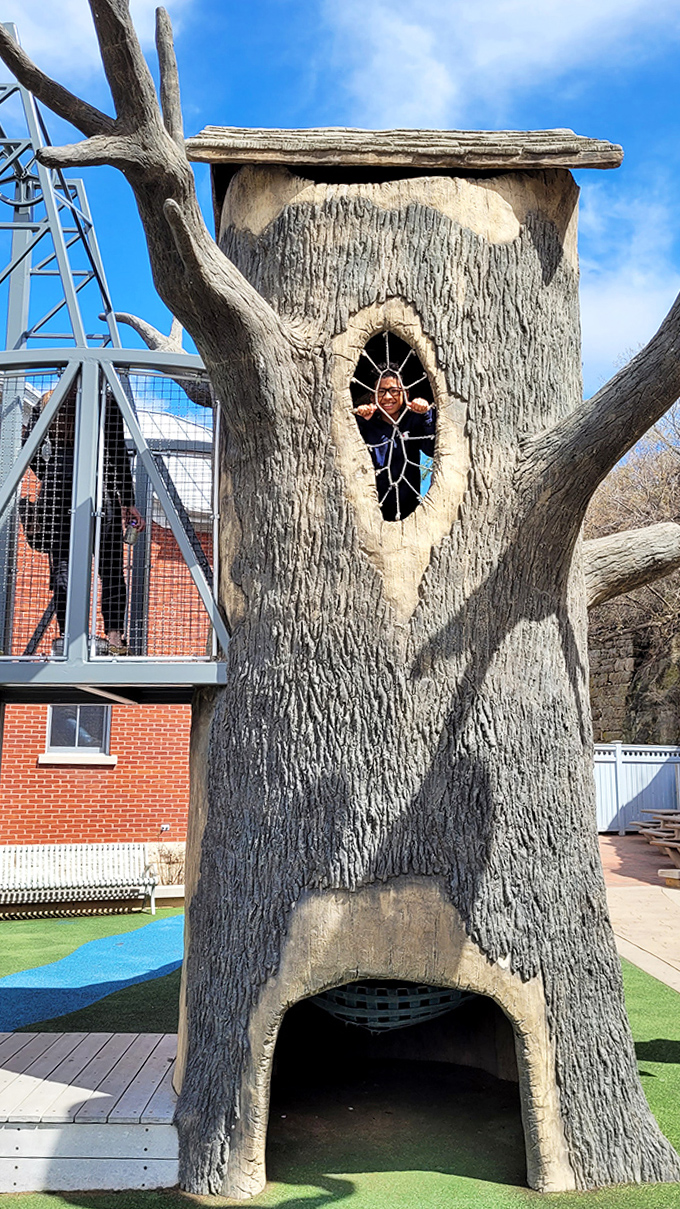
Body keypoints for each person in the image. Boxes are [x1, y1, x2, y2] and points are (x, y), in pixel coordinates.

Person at [25, 383, 145, 654]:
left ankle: (69, 637)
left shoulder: (47, 400)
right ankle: (114, 638)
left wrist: (51, 473)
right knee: (111, 567)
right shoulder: (105, 399)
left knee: (63, 565)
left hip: (57, 493)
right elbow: (116, 452)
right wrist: (128, 502)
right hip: (98, 488)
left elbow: (28, 446)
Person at [354, 369, 436, 521]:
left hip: (410, 508)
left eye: (394, 391)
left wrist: (426, 413)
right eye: (381, 392)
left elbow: (431, 449)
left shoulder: (412, 422)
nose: (387, 397)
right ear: (372, 397)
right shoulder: (367, 427)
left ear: (406, 394)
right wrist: (360, 421)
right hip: (371, 509)